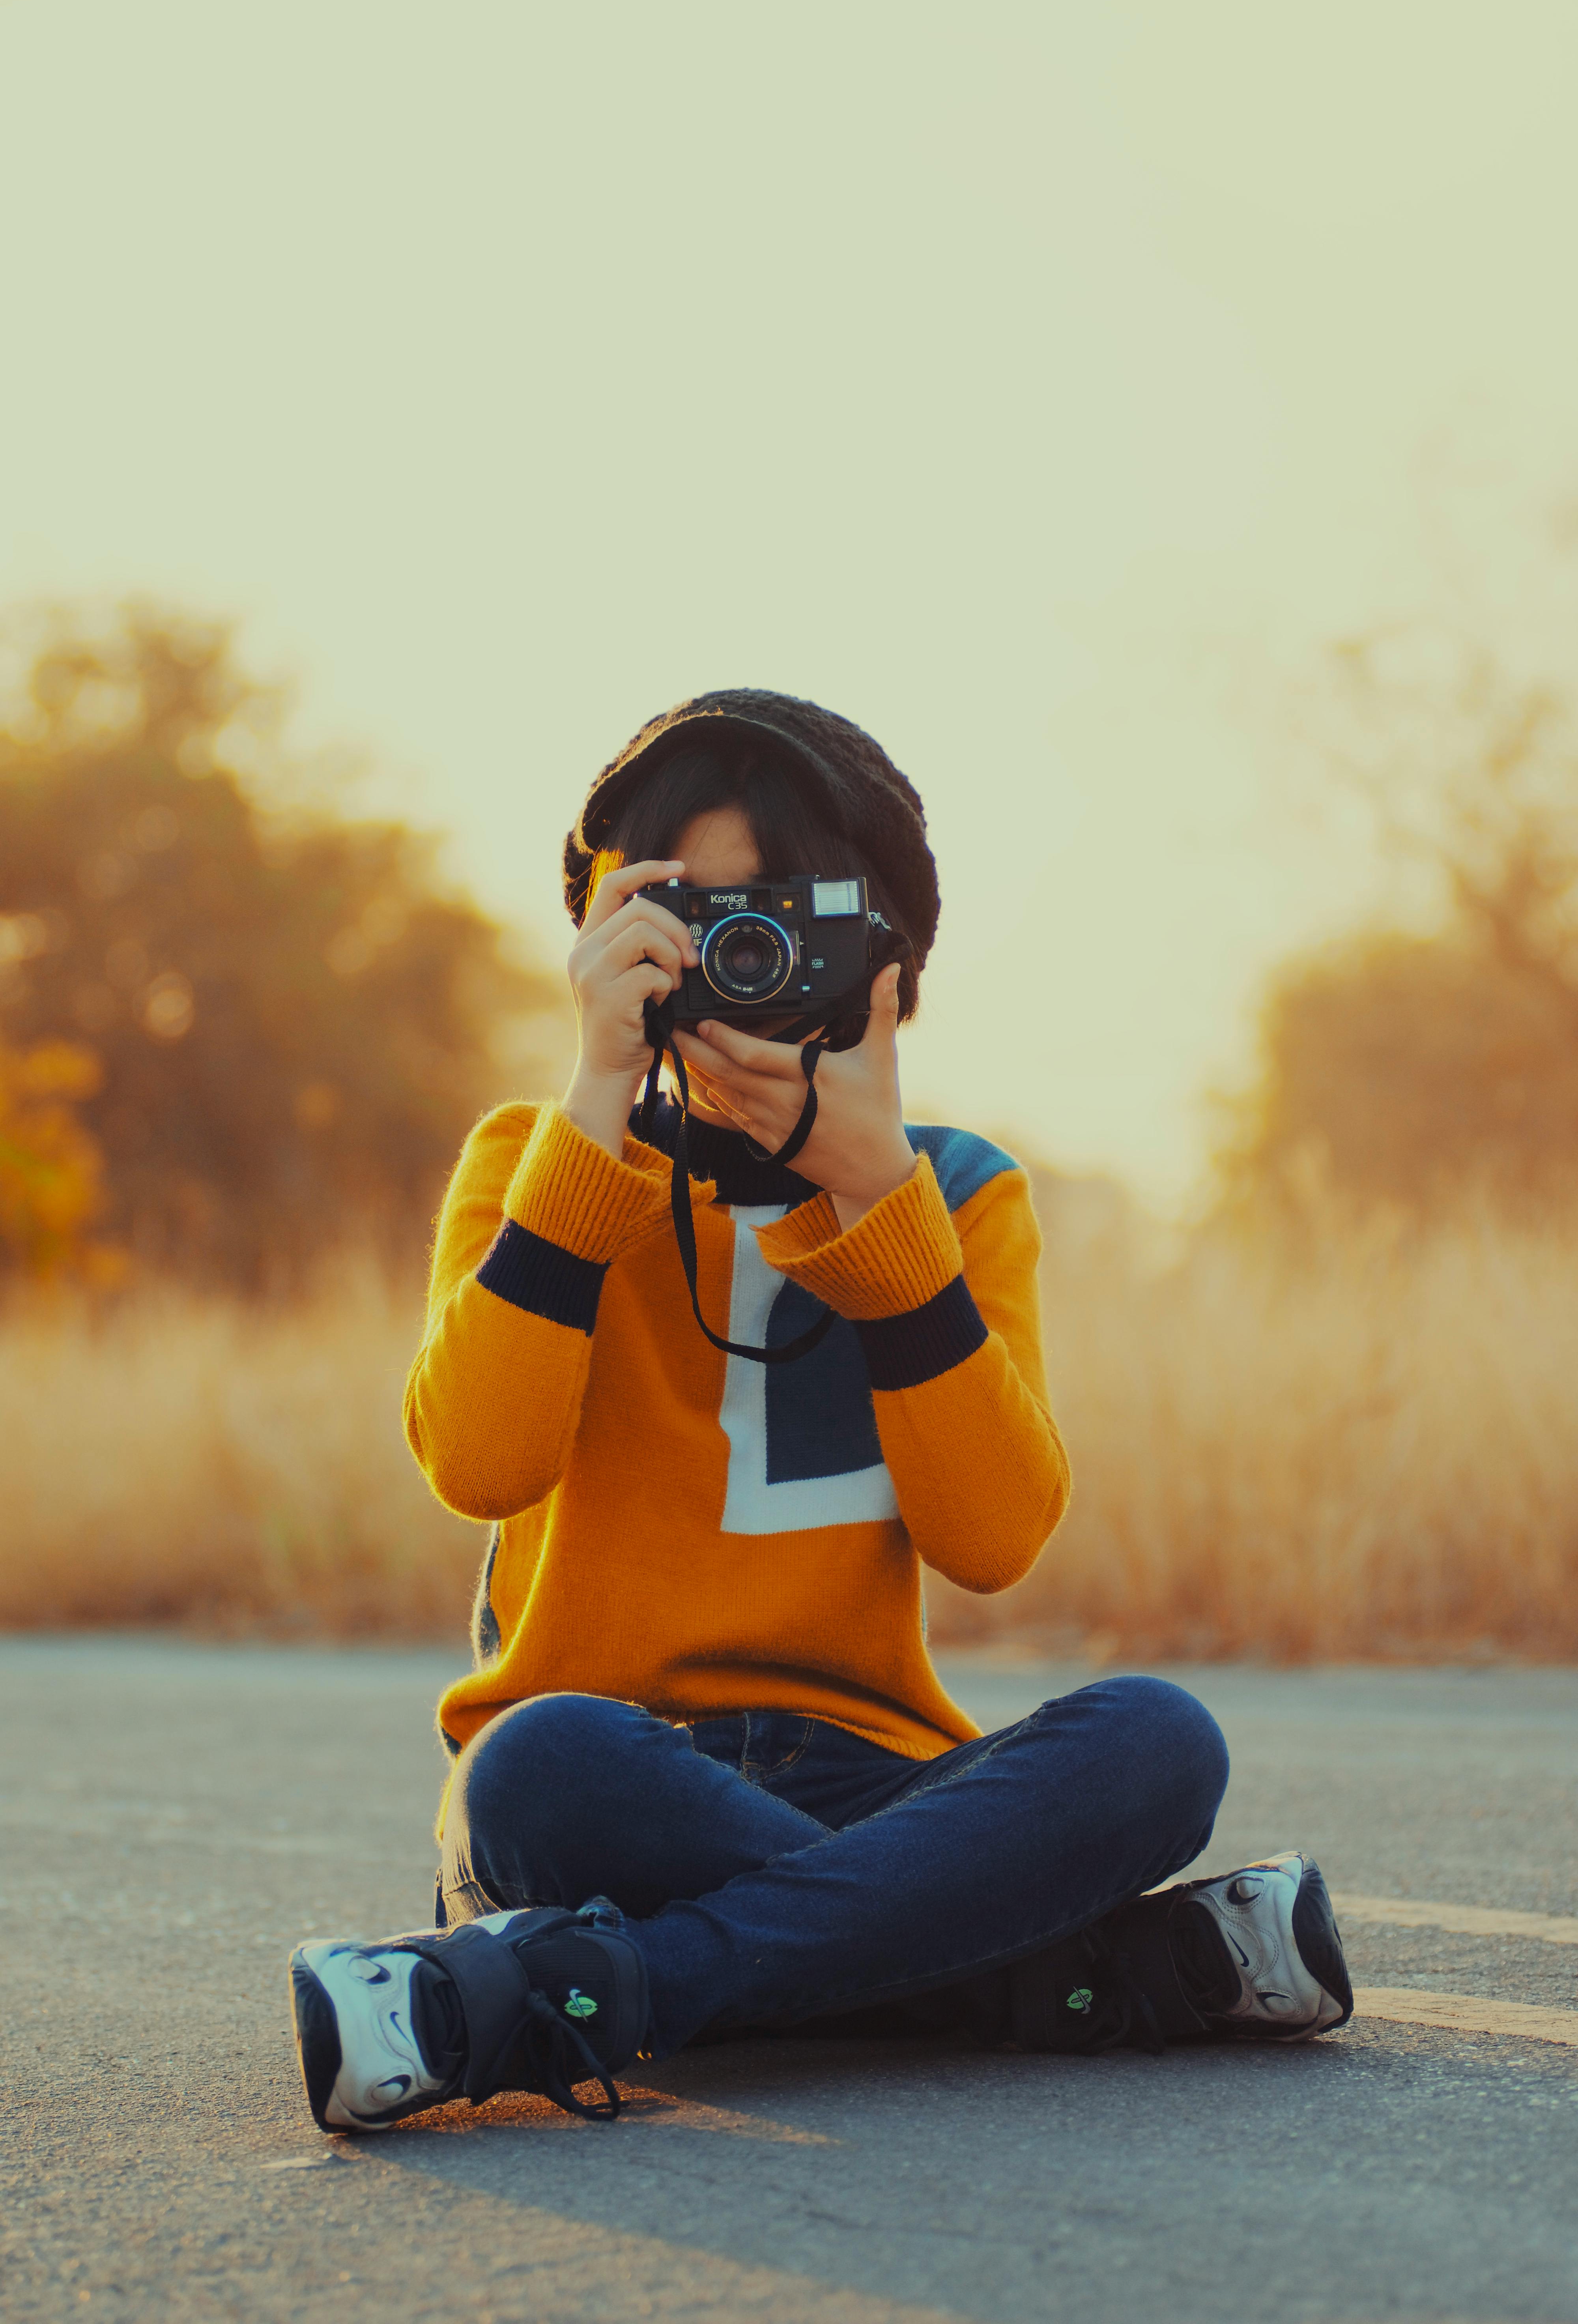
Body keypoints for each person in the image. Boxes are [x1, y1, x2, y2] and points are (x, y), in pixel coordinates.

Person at [288, 689, 1353, 2133]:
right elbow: (480, 1463)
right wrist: (599, 1099)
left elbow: (996, 1538)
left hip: (879, 1785)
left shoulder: (962, 1190)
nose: (743, 957)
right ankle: (1067, 1972)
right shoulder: (532, 1161)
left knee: (1160, 1741)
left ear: (887, 965)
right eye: (695, 918)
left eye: (785, 922)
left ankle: (584, 1989)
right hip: (611, 1779)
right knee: (537, 1756)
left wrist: (874, 1194)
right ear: (612, 938)